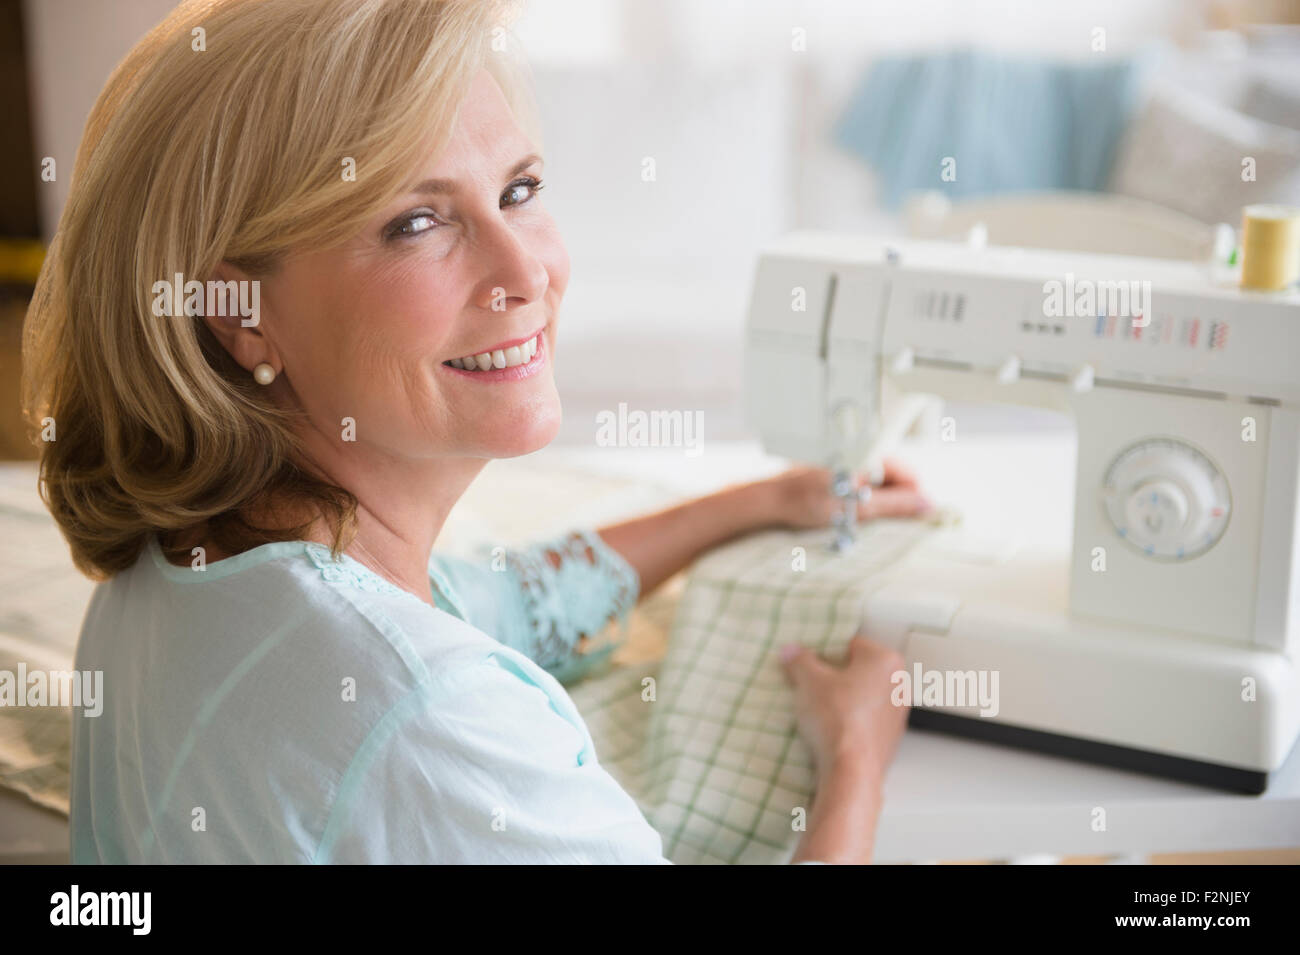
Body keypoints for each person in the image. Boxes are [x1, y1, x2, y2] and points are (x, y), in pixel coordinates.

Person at [22, 0, 930, 864]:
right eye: (417, 222)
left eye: (520, 189)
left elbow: (505, 600)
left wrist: (754, 503)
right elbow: (415, 684)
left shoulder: (184, 559)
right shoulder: (429, 717)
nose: (524, 269)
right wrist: (855, 759)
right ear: (240, 315)